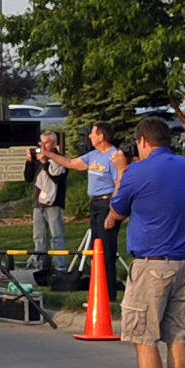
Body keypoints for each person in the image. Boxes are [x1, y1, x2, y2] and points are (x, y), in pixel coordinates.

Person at [108, 117, 185, 368]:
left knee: (144, 337)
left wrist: (122, 171)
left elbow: (117, 211)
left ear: (142, 142)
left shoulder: (136, 172)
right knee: (177, 336)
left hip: (151, 264)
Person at [44, 123, 126, 292]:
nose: (89, 136)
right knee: (96, 249)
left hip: (107, 204)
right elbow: (71, 163)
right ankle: (98, 291)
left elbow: (119, 184)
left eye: (93, 133)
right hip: (94, 204)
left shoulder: (114, 156)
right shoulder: (93, 155)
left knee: (106, 251)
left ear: (101, 136)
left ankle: (109, 293)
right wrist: (48, 154)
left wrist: (113, 211)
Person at [24, 133, 68, 273]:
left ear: (54, 144)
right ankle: (42, 266)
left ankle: (60, 267)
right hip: (38, 202)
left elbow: (57, 178)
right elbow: (28, 178)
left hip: (54, 203)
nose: (43, 146)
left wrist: (45, 163)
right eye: (41, 143)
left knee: (56, 236)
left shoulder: (60, 159)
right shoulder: (38, 158)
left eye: (47, 143)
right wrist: (30, 161)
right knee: (39, 237)